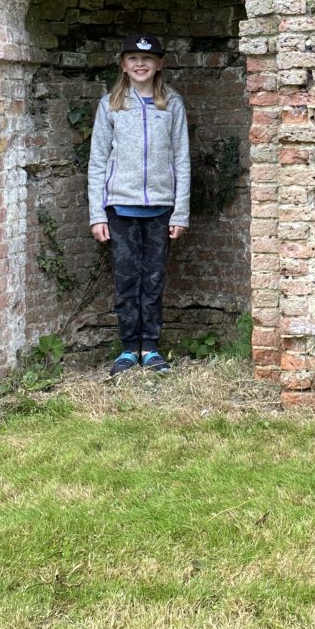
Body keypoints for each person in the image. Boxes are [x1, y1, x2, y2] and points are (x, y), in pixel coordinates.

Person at [87, 33, 191, 375]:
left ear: (159, 64)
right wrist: (97, 214)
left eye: (147, 58)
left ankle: (151, 348)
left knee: (154, 280)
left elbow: (181, 159)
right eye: (133, 58)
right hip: (120, 208)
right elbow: (97, 161)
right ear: (123, 65)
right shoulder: (110, 105)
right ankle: (129, 348)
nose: (140, 64)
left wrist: (180, 212)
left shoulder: (172, 104)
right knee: (127, 280)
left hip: (161, 208)